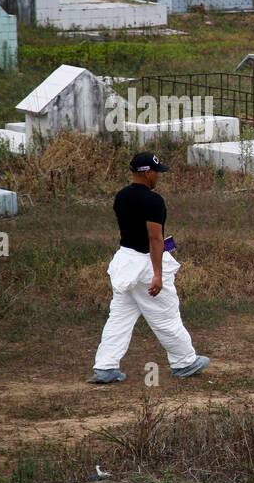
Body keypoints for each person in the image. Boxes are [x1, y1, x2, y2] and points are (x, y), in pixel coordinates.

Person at [89, 153, 210, 384]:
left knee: (119, 319)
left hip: (124, 262)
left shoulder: (121, 197)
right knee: (166, 315)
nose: (158, 176)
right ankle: (184, 362)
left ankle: (105, 366)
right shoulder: (154, 201)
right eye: (156, 172)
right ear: (147, 172)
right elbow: (154, 239)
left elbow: (132, 233)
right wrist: (157, 274)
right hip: (145, 266)